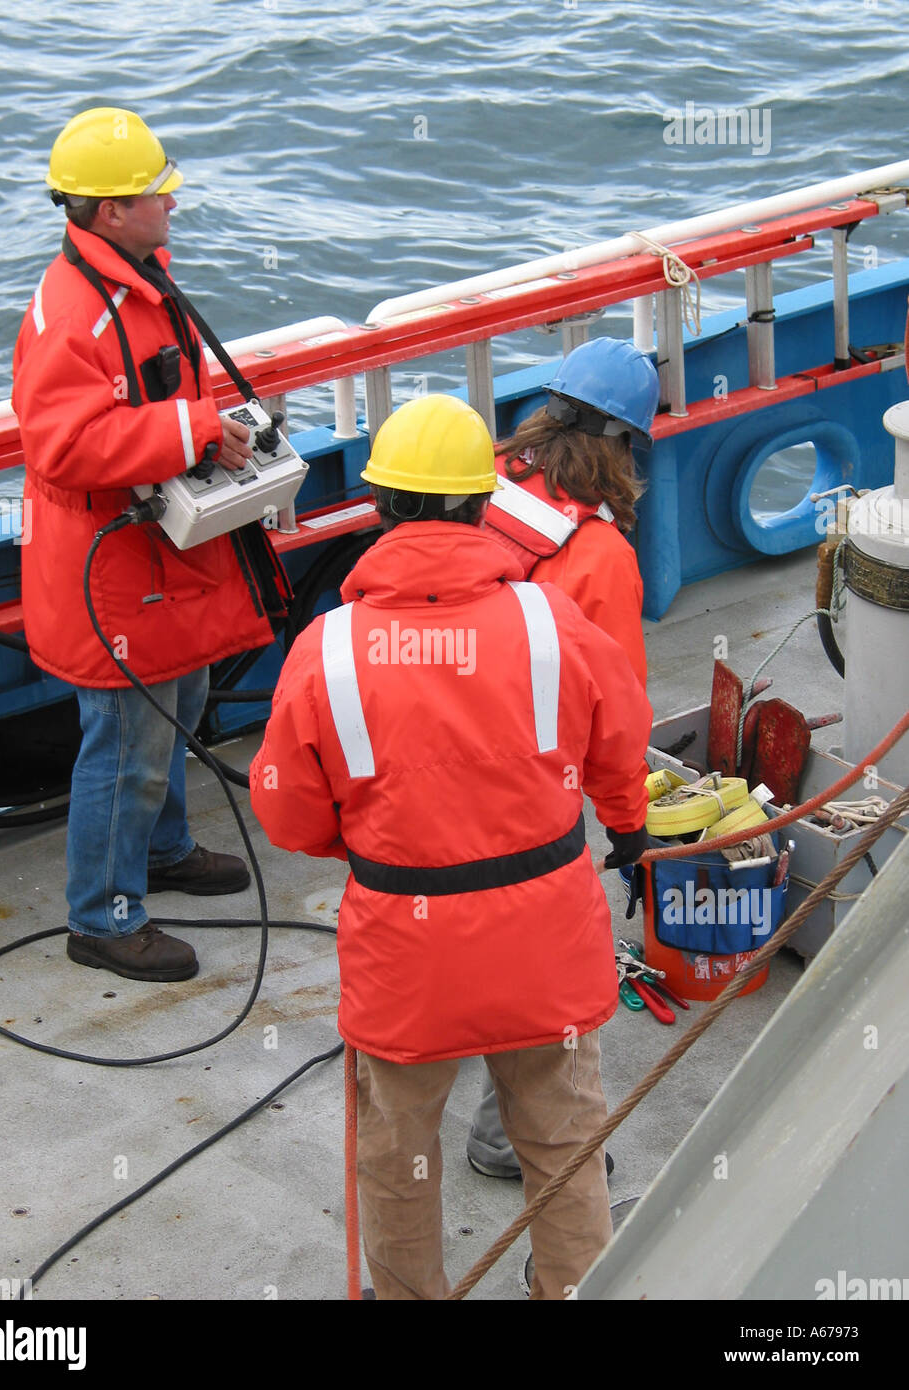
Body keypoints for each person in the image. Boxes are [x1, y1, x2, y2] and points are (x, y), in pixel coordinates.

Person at [250, 394, 652, 1299]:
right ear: (482, 506)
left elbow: (289, 814)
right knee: (563, 1143)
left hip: (406, 953)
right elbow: (621, 740)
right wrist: (625, 827)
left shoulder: (329, 650)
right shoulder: (553, 625)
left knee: (398, 1157)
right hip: (545, 943)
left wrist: (385, 846)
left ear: (382, 509)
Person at [12, 107, 276, 983]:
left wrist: (202, 431)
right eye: (158, 193)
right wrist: (194, 428)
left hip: (162, 559)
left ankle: (163, 853)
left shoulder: (132, 277)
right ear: (110, 212)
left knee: (176, 708)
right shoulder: (72, 314)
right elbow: (63, 447)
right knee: (126, 743)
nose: (173, 203)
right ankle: (104, 917)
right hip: (113, 571)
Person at [468, 336, 659, 1180]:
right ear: (623, 446)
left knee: (453, 940)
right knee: (543, 964)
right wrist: (629, 829)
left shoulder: (474, 490)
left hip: (428, 760)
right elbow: (613, 718)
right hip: (525, 792)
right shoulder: (601, 557)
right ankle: (508, 1139)